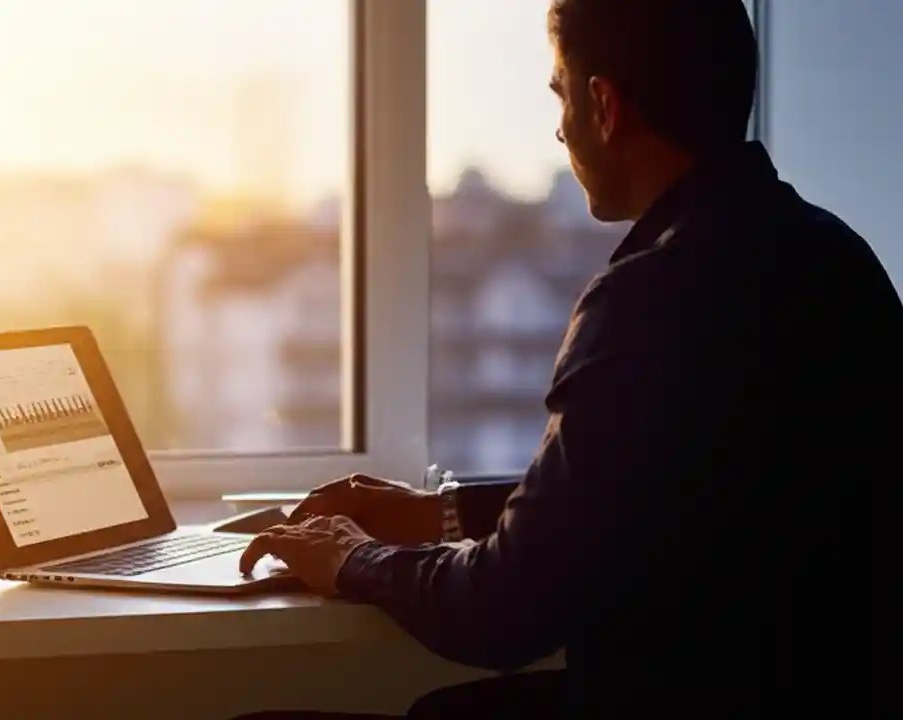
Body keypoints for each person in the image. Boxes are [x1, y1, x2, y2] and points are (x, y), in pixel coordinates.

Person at [238, 0, 900, 717]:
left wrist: (350, 559)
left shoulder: (650, 296)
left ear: (604, 105)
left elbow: (503, 612)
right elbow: (640, 502)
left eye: (561, 94)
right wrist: (438, 514)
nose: (558, 128)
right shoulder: (840, 260)